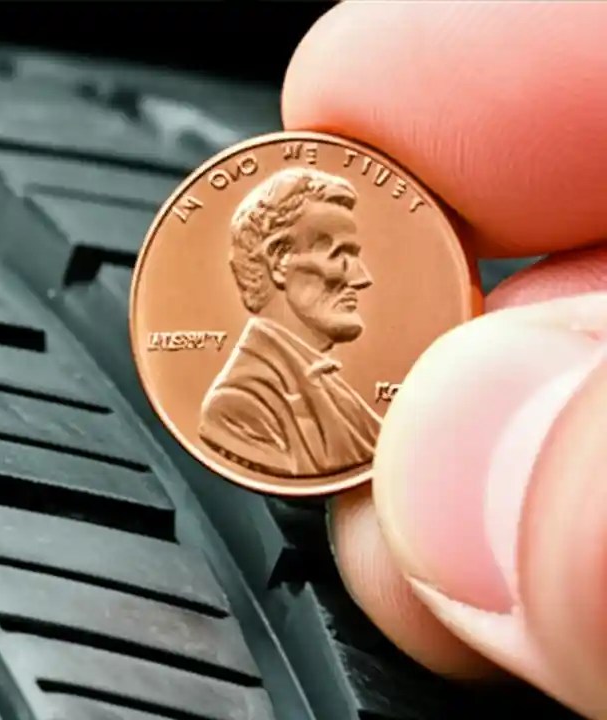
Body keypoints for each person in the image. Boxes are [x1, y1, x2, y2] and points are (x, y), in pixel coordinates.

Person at [284, 4, 607, 718]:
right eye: (338, 254)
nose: (361, 278)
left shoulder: (334, 398)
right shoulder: (251, 405)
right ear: (273, 273)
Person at [199, 167, 380, 477]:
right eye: (341, 256)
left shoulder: (334, 388)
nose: (362, 278)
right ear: (280, 260)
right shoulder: (238, 405)